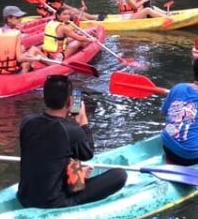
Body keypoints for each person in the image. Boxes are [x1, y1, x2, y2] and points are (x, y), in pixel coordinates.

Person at [17, 75, 127, 209]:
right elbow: (87, 154)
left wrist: (78, 173)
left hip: (24, 197)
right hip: (54, 202)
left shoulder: (27, 122)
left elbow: (49, 155)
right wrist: (83, 120)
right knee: (120, 175)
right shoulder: (71, 131)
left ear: (44, 97)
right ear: (70, 102)